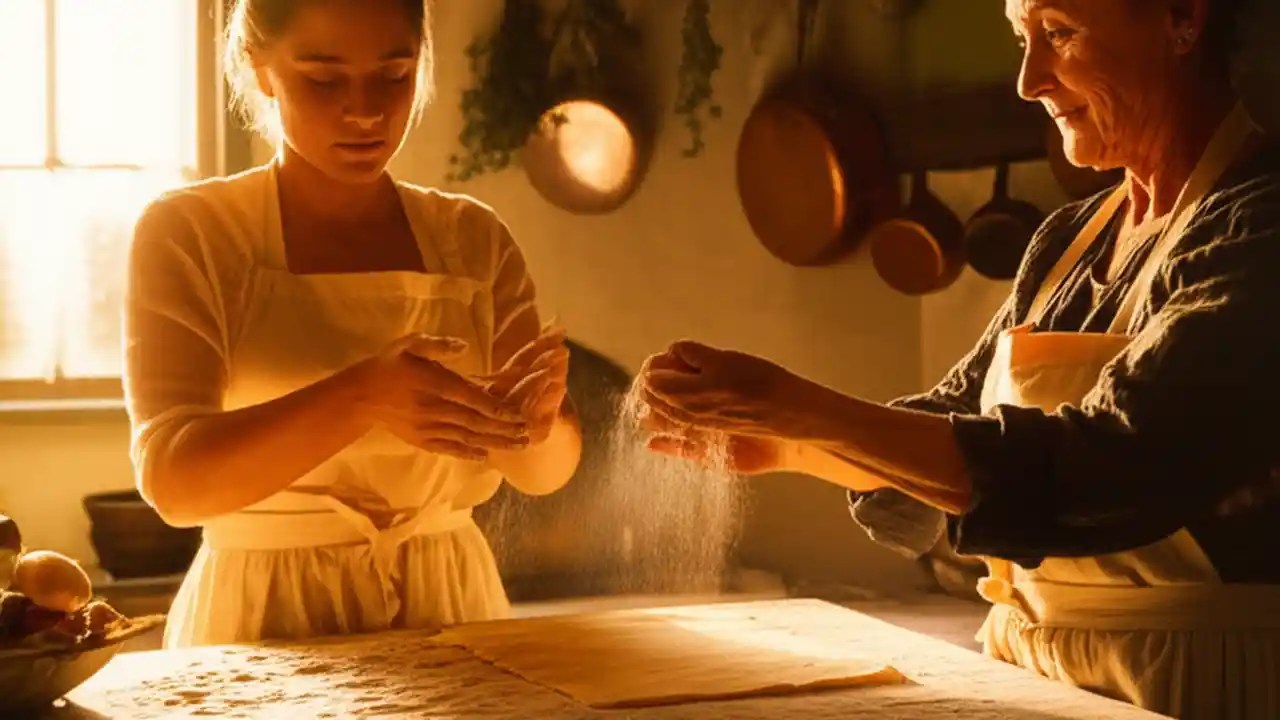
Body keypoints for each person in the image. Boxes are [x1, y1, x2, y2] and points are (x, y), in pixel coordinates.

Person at [639, 0, 1280, 716]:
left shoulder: (1259, 221)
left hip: (1193, 678)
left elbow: (1112, 467)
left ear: (1182, 18)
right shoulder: (1069, 240)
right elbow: (958, 427)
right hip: (1034, 671)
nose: (1029, 80)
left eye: (1059, 34)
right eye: (1021, 39)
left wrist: (801, 408)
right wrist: (789, 444)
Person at [124, 0, 581, 648]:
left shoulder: (471, 237)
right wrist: (364, 395)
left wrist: (533, 427)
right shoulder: (194, 234)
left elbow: (543, 473)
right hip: (264, 615)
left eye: (394, 75)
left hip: (449, 603)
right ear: (261, 68)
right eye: (324, 79)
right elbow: (175, 482)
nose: (365, 110)